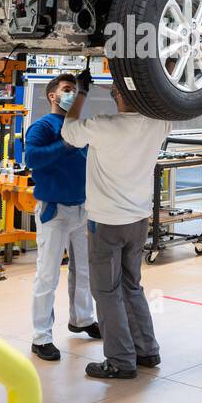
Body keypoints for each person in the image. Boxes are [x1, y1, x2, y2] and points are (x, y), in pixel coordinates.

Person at [61, 69, 171, 380]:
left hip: (107, 225)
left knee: (106, 291)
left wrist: (80, 93)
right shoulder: (157, 123)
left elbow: (69, 132)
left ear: (119, 96)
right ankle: (146, 350)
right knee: (131, 285)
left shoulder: (102, 126)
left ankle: (121, 360)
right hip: (138, 222)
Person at [24, 73, 100, 361]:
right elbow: (32, 158)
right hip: (53, 211)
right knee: (47, 275)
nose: (72, 94)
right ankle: (41, 336)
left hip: (81, 208)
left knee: (84, 270)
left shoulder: (78, 126)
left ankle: (82, 318)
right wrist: (65, 145)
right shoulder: (43, 126)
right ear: (52, 96)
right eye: (67, 89)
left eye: (76, 91)